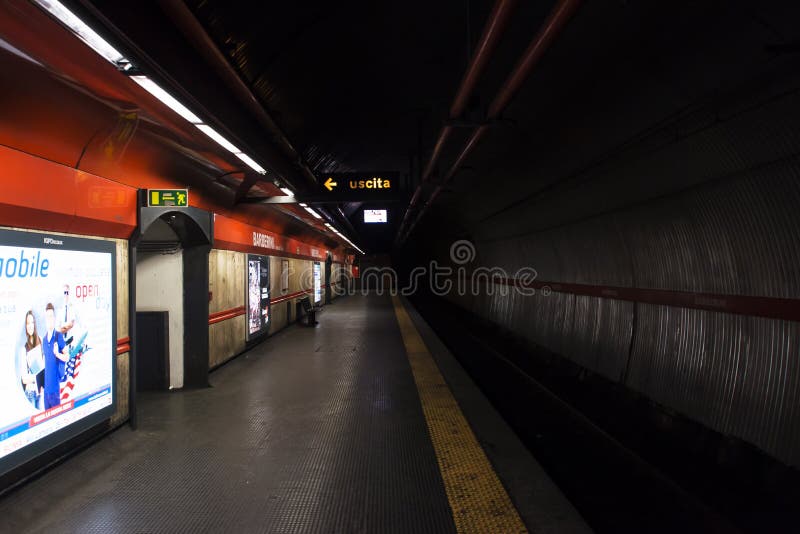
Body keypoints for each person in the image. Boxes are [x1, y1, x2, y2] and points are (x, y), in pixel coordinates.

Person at [42, 303, 69, 410]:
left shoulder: (59, 336)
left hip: (55, 392)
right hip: (45, 392)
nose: (49, 319)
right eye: (47, 316)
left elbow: (67, 357)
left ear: (54, 318)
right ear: (45, 319)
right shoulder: (44, 340)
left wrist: (57, 354)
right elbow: (46, 364)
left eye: (51, 316)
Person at [18, 310, 44, 409]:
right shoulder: (23, 350)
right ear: (25, 326)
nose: (30, 326)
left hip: (41, 392)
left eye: (32, 322)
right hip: (30, 393)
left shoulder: (41, 341)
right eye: (28, 323)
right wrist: (39, 377)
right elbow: (24, 379)